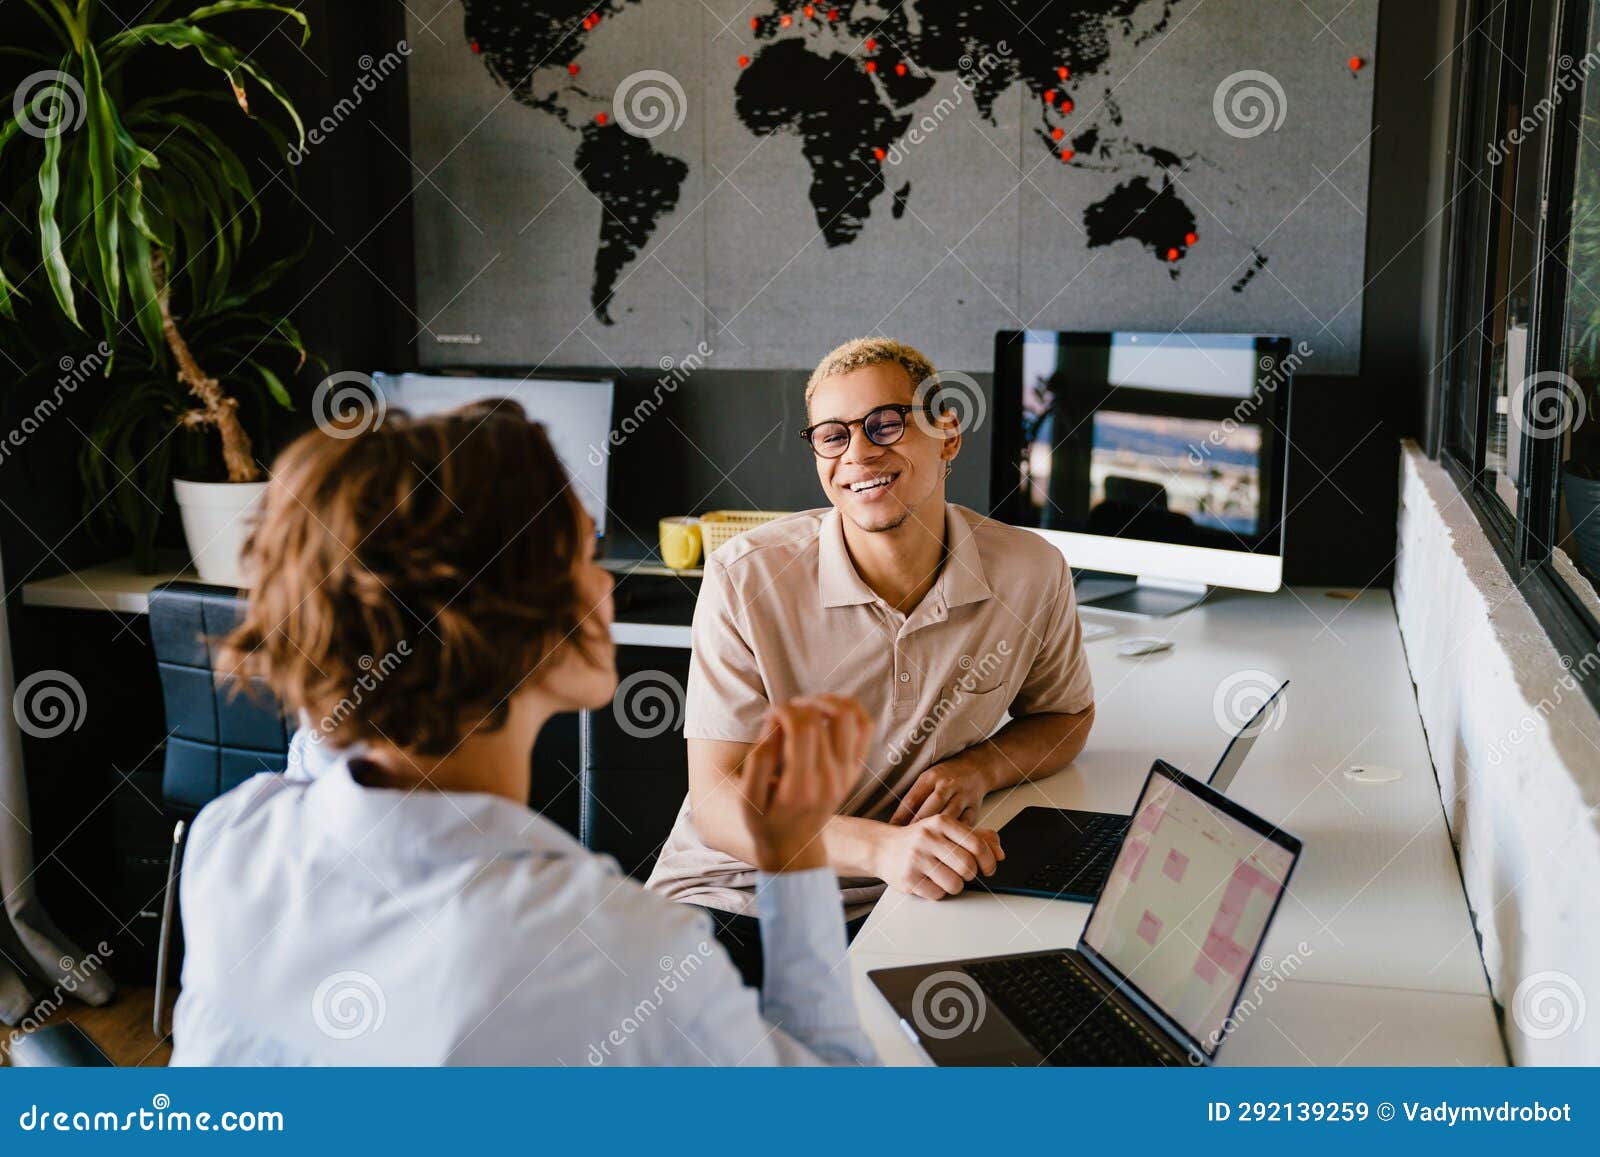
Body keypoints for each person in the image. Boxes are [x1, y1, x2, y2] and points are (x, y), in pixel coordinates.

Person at [170, 401, 878, 1066]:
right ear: (509, 611)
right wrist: (794, 854)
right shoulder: (610, 954)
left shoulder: (231, 840)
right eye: (579, 556)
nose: (604, 587)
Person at [647, 338, 1096, 984]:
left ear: (947, 434)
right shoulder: (744, 577)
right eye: (832, 436)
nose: (858, 453)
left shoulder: (1031, 571)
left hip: (907, 899)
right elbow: (718, 803)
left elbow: (1069, 714)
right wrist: (882, 847)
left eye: (885, 423)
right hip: (737, 896)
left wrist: (980, 768)